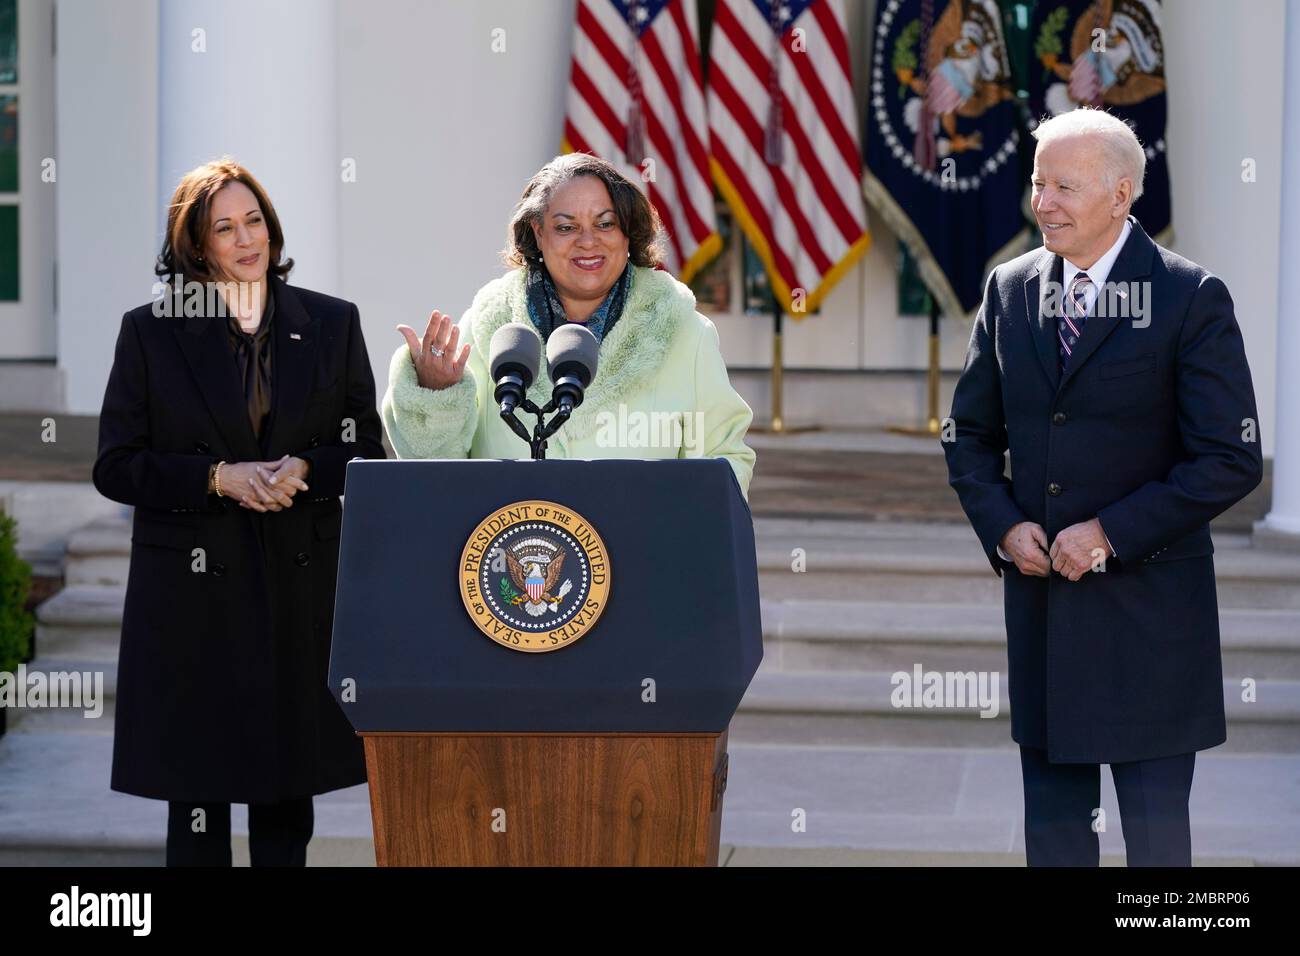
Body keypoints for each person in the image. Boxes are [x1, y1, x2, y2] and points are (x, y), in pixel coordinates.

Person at [942, 108, 1263, 866]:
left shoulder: (1191, 296)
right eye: (1036, 182)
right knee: (1055, 841)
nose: (1042, 202)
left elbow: (1230, 457)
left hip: (1152, 627)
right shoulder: (1009, 290)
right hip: (1046, 614)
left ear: (1121, 195)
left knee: (1156, 850)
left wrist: (1110, 533)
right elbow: (969, 435)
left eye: (1063, 186)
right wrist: (1001, 524)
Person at [93, 157, 387, 866]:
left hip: (295, 587)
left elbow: (367, 447)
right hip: (192, 599)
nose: (246, 237)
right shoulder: (150, 332)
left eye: (253, 219)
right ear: (196, 247)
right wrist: (219, 477)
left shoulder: (330, 322)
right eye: (224, 227)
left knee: (286, 804)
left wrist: (309, 467)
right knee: (196, 809)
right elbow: (115, 465)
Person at [381, 152, 755, 497]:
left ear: (628, 232)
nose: (588, 242)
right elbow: (437, 475)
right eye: (566, 227)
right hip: (511, 557)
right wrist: (436, 398)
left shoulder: (684, 332)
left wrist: (665, 531)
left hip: (640, 559)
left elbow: (724, 465)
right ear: (537, 231)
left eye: (605, 224)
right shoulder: (488, 328)